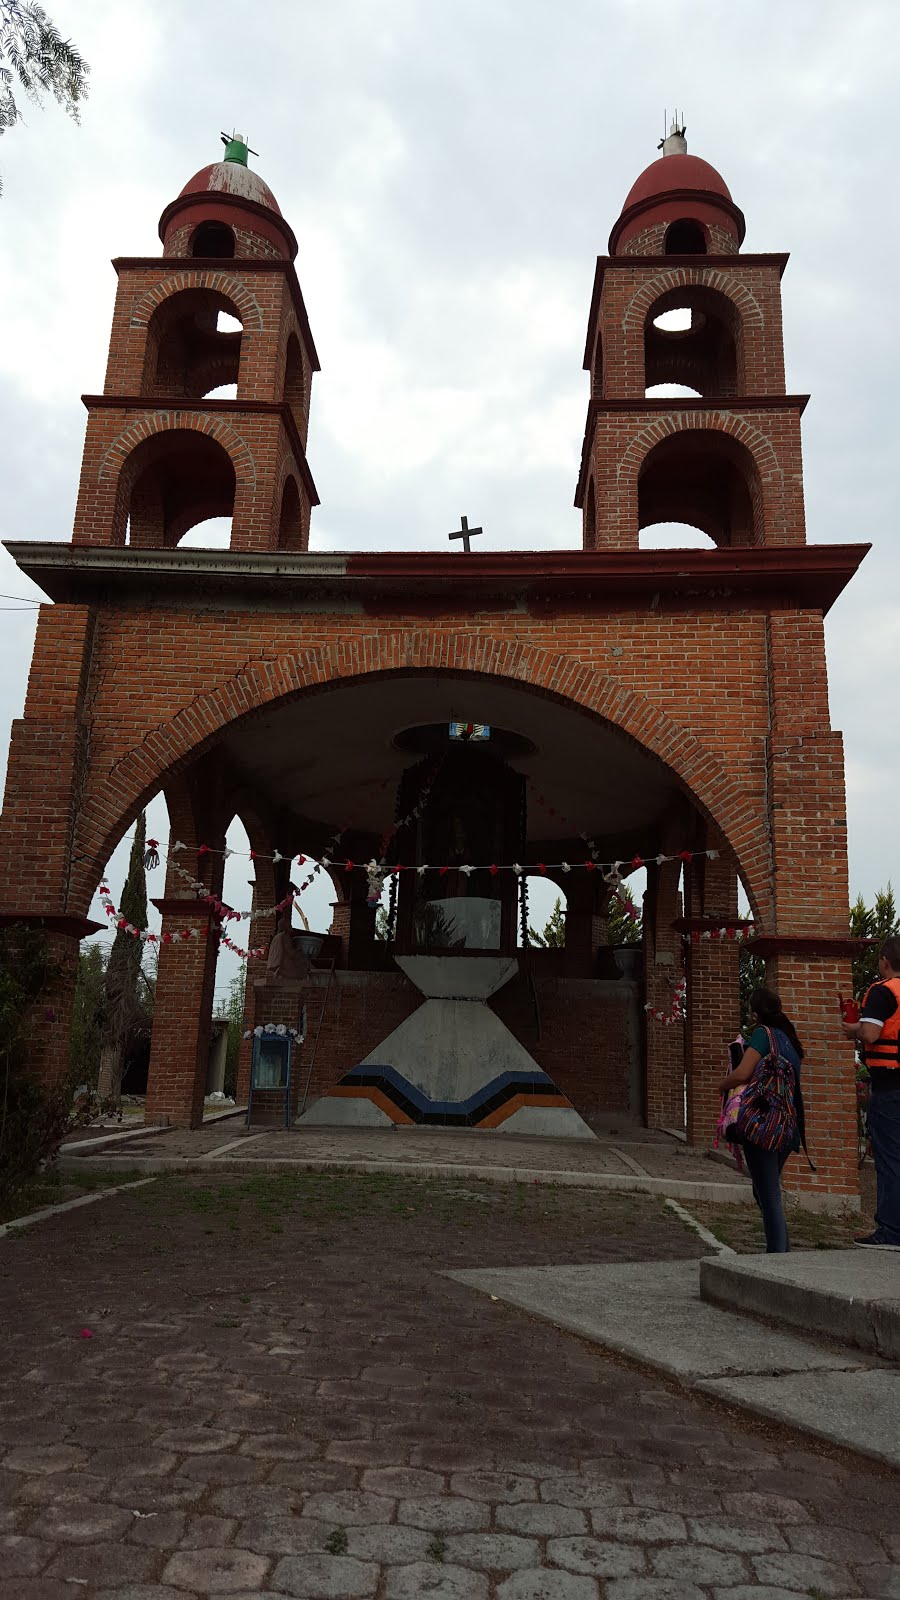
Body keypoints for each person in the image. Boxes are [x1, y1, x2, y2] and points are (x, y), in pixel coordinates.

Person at [719, 987, 805, 1253]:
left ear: (756, 1014)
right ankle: (782, 1252)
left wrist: (722, 1085)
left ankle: (777, 1257)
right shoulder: (790, 1040)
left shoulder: (762, 1034)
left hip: (763, 1123)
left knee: (769, 1196)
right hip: (788, 1125)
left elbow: (743, 1073)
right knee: (766, 1191)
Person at [842, 936, 900, 1250]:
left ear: (885, 961)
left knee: (890, 1158)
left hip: (891, 1086)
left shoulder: (883, 991)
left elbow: (871, 1033)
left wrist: (852, 1028)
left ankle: (891, 1231)